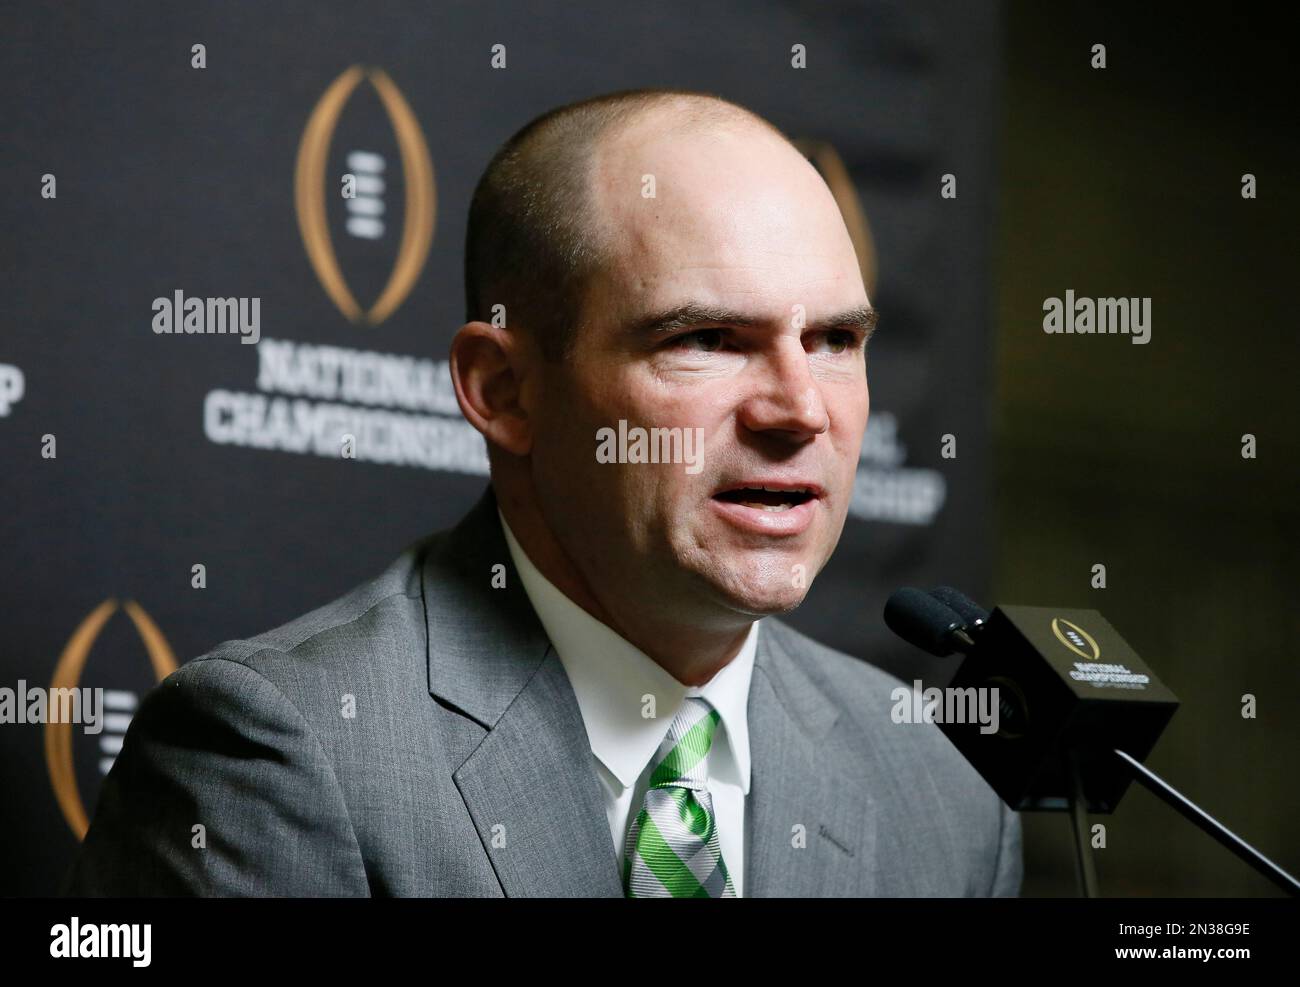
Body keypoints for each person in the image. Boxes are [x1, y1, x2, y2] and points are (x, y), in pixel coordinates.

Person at [65, 87, 1021, 897]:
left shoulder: (947, 798)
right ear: (503, 391)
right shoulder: (278, 757)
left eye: (835, 343)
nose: (801, 411)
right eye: (707, 340)